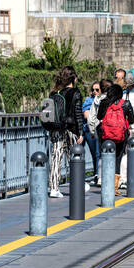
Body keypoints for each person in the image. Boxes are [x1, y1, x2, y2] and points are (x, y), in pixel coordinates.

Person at [47, 66, 83, 198]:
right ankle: (78, 183)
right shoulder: (75, 93)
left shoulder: (54, 93)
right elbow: (78, 113)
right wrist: (80, 132)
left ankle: (54, 188)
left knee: (56, 157)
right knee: (73, 157)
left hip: (56, 129)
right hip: (71, 128)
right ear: (73, 78)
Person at [95, 78, 134, 195]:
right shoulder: (126, 103)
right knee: (118, 159)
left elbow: (99, 117)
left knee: (107, 158)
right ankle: (115, 187)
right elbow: (132, 120)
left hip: (106, 135)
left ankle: (106, 183)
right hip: (121, 136)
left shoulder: (104, 103)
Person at [81, 80, 102, 186]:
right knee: (95, 154)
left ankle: (98, 175)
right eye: (93, 89)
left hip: (101, 129)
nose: (95, 91)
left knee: (99, 154)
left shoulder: (104, 99)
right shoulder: (89, 100)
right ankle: (96, 174)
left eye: (97, 89)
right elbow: (86, 115)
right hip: (90, 130)